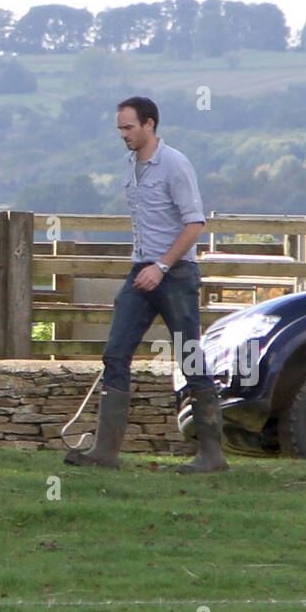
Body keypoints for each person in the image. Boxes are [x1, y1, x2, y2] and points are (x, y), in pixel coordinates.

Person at [65, 96, 228, 473]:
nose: (123, 134)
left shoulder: (175, 164)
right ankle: (105, 452)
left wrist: (162, 266)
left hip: (176, 275)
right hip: (140, 273)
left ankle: (211, 455)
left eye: (129, 127)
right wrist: (147, 267)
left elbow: (195, 224)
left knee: (190, 358)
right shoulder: (128, 165)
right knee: (115, 353)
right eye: (120, 128)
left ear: (149, 124)